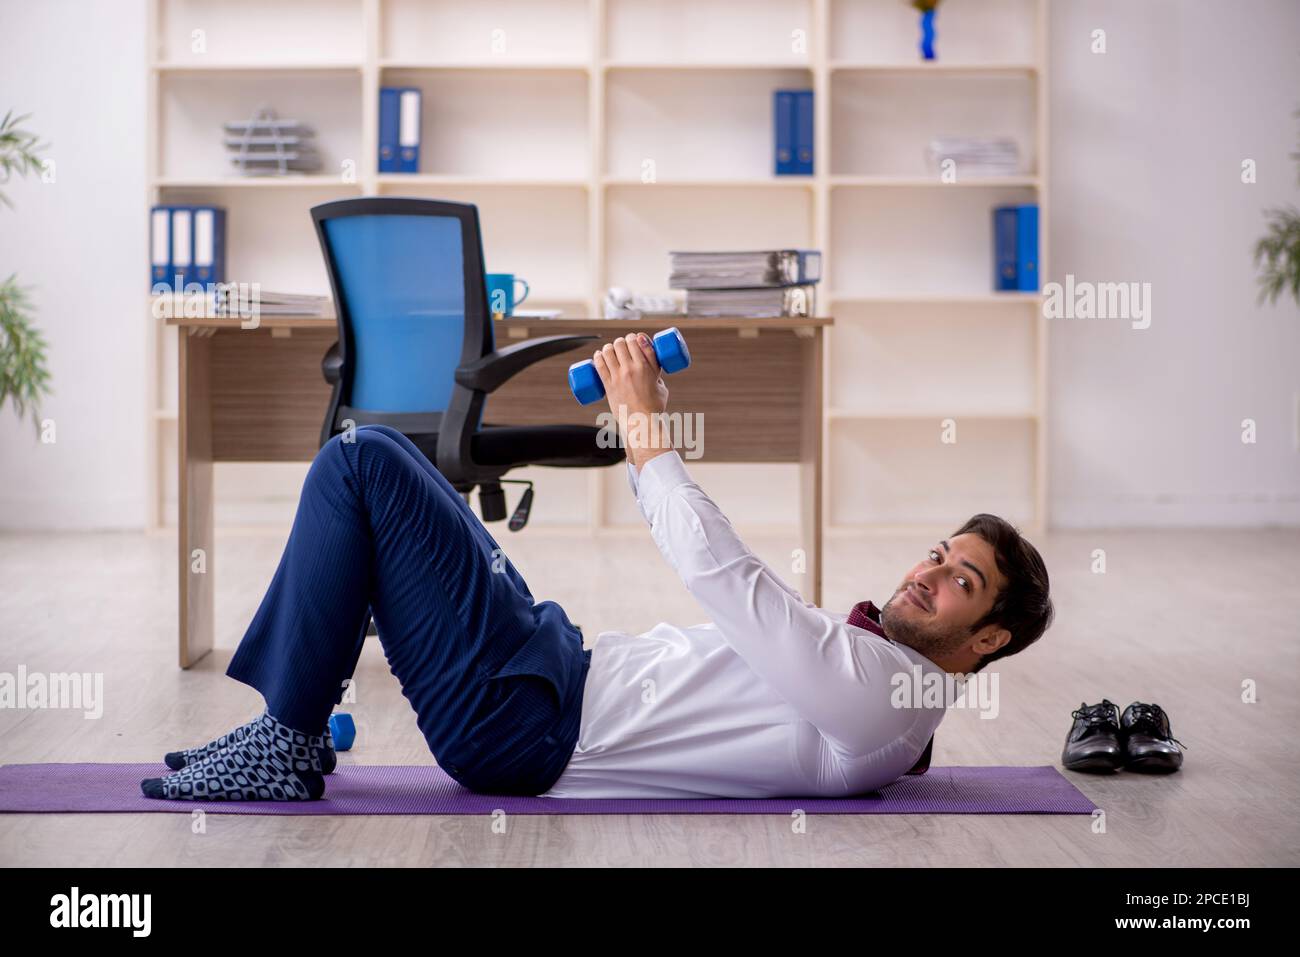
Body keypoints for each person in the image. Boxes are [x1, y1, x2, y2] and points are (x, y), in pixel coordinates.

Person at [144, 333, 1053, 801]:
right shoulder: (890, 693)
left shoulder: (881, 695)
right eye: (940, 554)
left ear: (988, 638)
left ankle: (288, 739)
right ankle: (291, 721)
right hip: (549, 664)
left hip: (525, 725)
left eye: (961, 582)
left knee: (363, 461)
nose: (927, 574)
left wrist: (641, 418)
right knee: (396, 468)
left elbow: (720, 574)